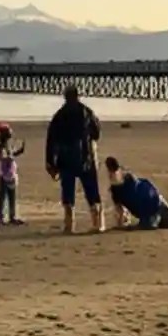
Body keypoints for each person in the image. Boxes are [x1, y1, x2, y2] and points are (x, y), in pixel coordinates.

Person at [45, 85, 104, 234]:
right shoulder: (87, 112)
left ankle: (69, 225)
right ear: (78, 96)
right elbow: (97, 133)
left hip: (66, 159)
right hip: (86, 156)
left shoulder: (59, 115)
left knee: (68, 193)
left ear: (65, 97)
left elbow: (51, 140)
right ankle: (97, 223)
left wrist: (50, 163)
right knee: (92, 190)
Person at [105, 157, 168, 230]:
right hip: (149, 210)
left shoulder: (132, 182)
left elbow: (152, 197)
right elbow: (119, 208)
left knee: (165, 222)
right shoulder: (116, 190)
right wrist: (120, 224)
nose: (111, 175)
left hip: (155, 208)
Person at [0, 122, 24, 225]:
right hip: (4, 175)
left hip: (10, 174)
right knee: (3, 196)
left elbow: (10, 155)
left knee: (11, 197)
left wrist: (18, 152)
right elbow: (3, 157)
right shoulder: (0, 147)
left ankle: (11, 216)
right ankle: (2, 217)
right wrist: (10, 158)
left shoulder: (6, 146)